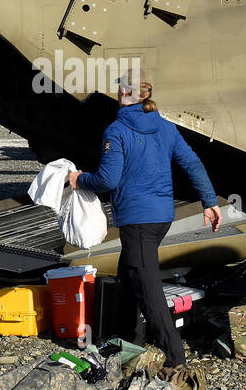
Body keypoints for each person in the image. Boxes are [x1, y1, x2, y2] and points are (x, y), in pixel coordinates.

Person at [69, 76, 221, 368]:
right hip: (162, 217)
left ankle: (176, 360)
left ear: (123, 95)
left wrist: (79, 179)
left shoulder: (117, 131)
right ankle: (126, 341)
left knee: (149, 288)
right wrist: (210, 201)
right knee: (129, 274)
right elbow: (192, 162)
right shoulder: (165, 127)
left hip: (137, 221)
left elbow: (107, 179)